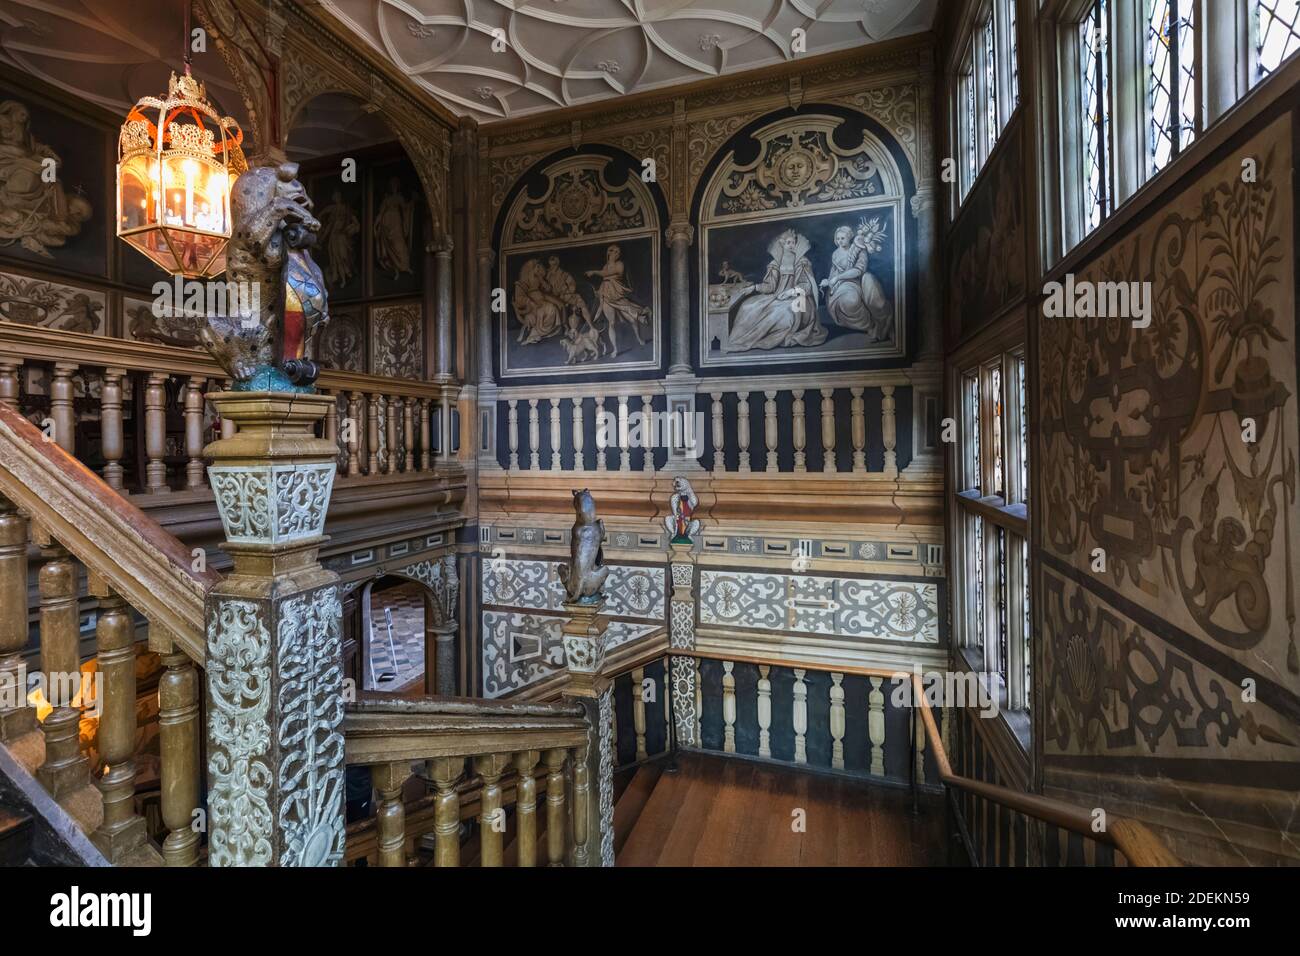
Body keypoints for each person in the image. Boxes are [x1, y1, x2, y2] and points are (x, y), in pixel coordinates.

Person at [725, 229, 826, 352]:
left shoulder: (802, 262)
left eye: (793, 242)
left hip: (800, 299)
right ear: (782, 244)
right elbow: (770, 287)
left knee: (784, 314)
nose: (791, 245)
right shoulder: (775, 264)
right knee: (749, 307)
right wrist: (754, 288)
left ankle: (763, 338)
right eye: (788, 242)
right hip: (777, 296)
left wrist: (791, 292)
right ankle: (739, 341)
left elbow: (807, 287)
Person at [820, 220, 892, 340]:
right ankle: (866, 325)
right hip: (838, 285)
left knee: (850, 301)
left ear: (849, 237)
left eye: (842, 238)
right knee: (841, 302)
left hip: (855, 282)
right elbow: (834, 272)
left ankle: (870, 324)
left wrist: (838, 278)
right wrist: (828, 281)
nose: (839, 241)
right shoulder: (835, 253)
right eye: (838, 239)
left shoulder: (859, 249)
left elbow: (859, 270)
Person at [586, 244, 649, 357]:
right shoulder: (605, 266)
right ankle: (615, 349)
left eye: (619, 252)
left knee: (632, 319)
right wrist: (599, 292)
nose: (617, 254)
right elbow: (605, 278)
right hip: (606, 295)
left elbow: (613, 273)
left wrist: (595, 272)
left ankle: (639, 338)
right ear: (609, 252)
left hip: (618, 295)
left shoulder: (620, 264)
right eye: (615, 252)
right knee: (612, 323)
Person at [373, 176, 413, 278]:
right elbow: (380, 214)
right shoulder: (387, 199)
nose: (393, 186)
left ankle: (405, 266)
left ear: (398, 186)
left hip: (396, 223)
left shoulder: (399, 197)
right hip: (386, 224)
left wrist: (412, 203)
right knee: (389, 247)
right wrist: (375, 225)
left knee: (399, 245)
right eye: (392, 185)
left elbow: (405, 208)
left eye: (395, 184)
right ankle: (396, 270)